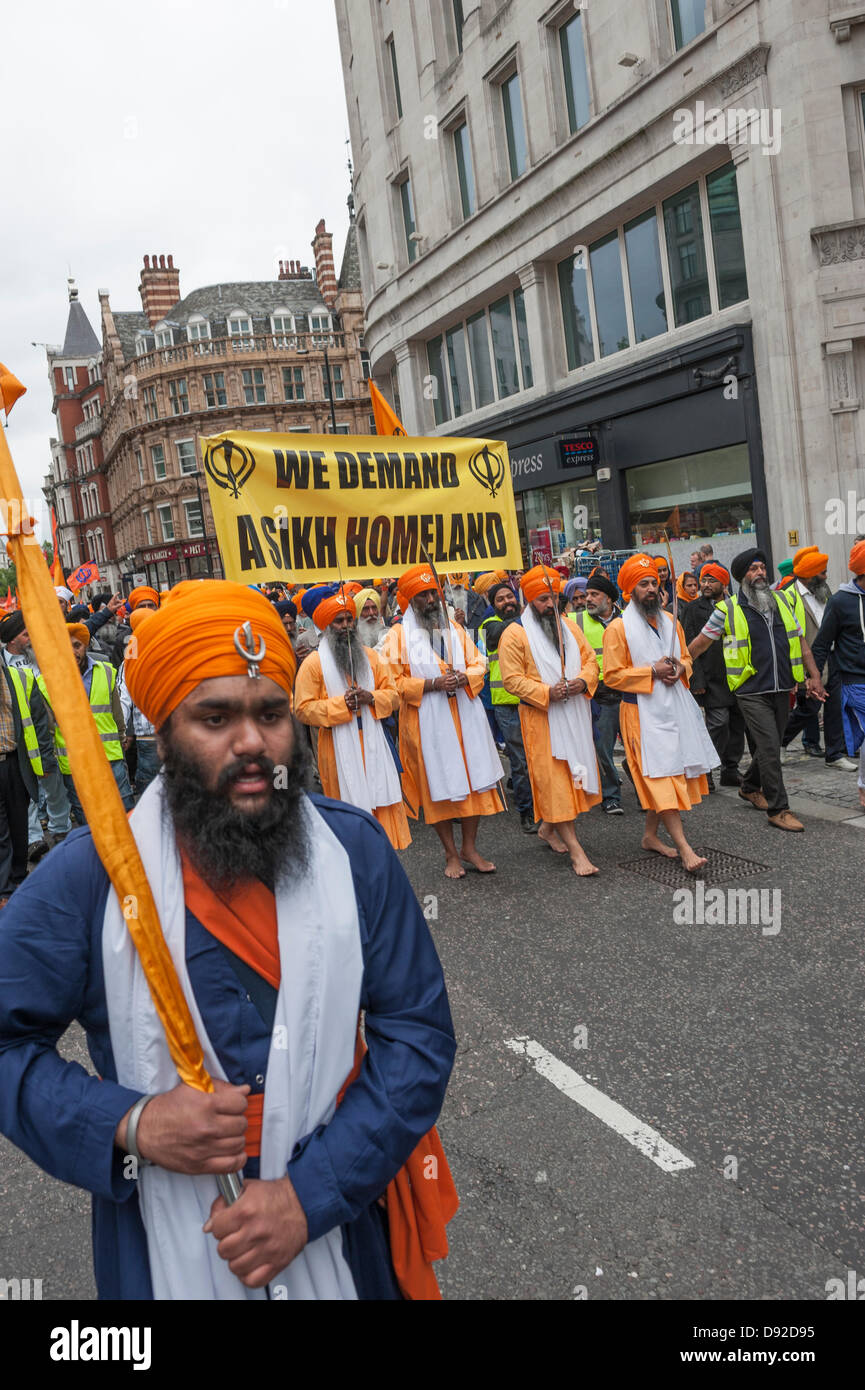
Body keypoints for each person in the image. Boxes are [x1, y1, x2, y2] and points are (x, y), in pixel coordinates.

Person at [0, 580, 456, 1300]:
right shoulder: (91, 875)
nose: (251, 742)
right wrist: (130, 1124)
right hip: (161, 1245)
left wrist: (311, 1194)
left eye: (270, 714)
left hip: (341, 1225)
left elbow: (416, 1032)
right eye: (215, 717)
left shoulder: (355, 849)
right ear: (163, 732)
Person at [687, 548, 827, 832]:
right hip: (749, 691)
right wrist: (680, 665)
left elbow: (800, 642)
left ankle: (750, 786)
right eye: (753, 569)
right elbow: (700, 643)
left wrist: (814, 677)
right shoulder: (727, 609)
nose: (760, 573)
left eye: (762, 567)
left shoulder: (783, 602)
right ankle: (779, 809)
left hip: (782, 687)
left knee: (771, 745)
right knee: (768, 748)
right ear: (742, 577)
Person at [379, 564, 504, 880]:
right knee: (439, 788)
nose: (432, 599)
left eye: (433, 592)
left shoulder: (455, 628)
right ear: (410, 601)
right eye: (423, 595)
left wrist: (466, 676)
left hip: (466, 716)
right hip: (426, 723)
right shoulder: (396, 635)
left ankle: (470, 848)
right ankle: (450, 853)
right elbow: (392, 683)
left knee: (475, 782)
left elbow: (480, 662)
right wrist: (432, 685)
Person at [603, 554, 719, 872]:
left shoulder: (672, 621)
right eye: (644, 584)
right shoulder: (617, 629)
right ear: (629, 590)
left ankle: (650, 836)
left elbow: (685, 657)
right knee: (661, 778)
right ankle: (685, 849)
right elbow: (612, 675)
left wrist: (681, 666)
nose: (651, 588)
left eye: (654, 582)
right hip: (639, 713)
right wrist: (651, 672)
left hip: (674, 708)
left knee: (666, 772)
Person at [498, 567, 601, 875]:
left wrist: (582, 683)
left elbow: (590, 661)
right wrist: (547, 692)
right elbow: (511, 680)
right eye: (543, 599)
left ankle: (547, 828)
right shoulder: (514, 634)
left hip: (574, 714)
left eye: (555, 597)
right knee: (556, 783)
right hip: (542, 720)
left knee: (573, 778)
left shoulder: (569, 626)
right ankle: (576, 851)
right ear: (530, 601)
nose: (551, 604)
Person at [294, 589, 409, 850]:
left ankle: (385, 860)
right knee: (347, 813)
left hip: (375, 743)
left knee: (382, 806)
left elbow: (393, 696)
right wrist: (340, 705)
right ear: (327, 625)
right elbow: (302, 708)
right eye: (339, 621)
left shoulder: (370, 656)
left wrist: (371, 698)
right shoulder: (313, 664)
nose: (346, 626)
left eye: (349, 619)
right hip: (335, 749)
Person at [38, 623, 134, 823]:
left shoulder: (106, 672)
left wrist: (122, 736)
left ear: (86, 646)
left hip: (110, 757)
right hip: (75, 763)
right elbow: (48, 727)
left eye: (77, 645)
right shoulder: (47, 682)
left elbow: (116, 712)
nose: (72, 651)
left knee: (124, 811)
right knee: (88, 818)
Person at [0, 611, 71, 854]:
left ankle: (61, 829)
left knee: (55, 786)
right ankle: (34, 840)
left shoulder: (43, 658)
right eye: (25, 634)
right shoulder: (2, 664)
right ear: (12, 640)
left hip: (52, 736)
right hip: (20, 742)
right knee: (26, 793)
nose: (31, 638)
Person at [780, 547, 853, 768]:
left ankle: (834, 754)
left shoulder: (824, 592)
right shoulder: (788, 596)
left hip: (832, 657)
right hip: (806, 661)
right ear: (809, 574)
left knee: (834, 706)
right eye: (822, 572)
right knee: (809, 708)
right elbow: (787, 635)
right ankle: (780, 742)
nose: (826, 576)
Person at [477, 581, 537, 833]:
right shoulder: (488, 626)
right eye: (500, 599)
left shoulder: (530, 622)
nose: (507, 602)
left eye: (510, 596)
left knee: (540, 758)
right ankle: (527, 811)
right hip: (507, 704)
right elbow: (495, 637)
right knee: (521, 761)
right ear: (493, 605)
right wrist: (529, 618)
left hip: (534, 699)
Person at [0, 645, 58, 902]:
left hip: (16, 764)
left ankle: (18, 878)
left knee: (19, 826)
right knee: (1, 832)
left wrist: (45, 762)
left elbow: (39, 722)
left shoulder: (20, 677)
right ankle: (6, 891)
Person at [682, 563, 747, 790]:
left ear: (724, 583)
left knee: (737, 725)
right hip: (711, 679)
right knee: (718, 723)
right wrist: (696, 680)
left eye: (711, 581)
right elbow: (689, 645)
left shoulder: (738, 605)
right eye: (703, 580)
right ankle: (706, 770)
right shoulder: (693, 609)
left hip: (738, 677)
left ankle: (730, 769)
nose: (705, 585)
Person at [569, 572, 624, 815]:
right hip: (599, 697)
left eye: (594, 594)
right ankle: (611, 796)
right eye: (585, 594)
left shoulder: (628, 620)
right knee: (602, 749)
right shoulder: (574, 620)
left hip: (630, 693)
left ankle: (648, 793)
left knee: (637, 749)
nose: (587, 599)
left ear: (610, 599)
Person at [810, 540, 865, 782]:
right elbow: (821, 644)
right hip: (854, 681)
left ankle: (863, 786)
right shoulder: (841, 601)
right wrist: (815, 679)